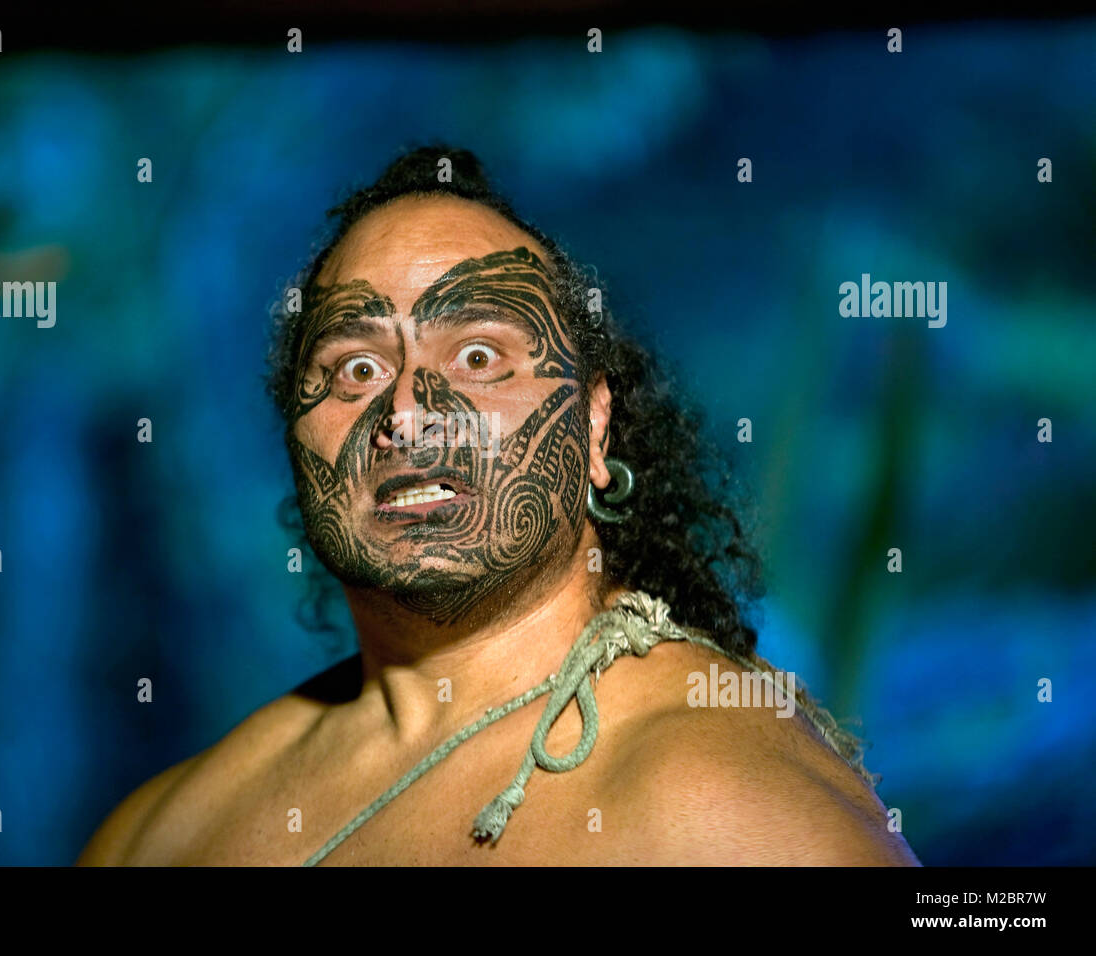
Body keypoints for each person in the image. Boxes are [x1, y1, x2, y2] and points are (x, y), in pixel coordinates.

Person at [78, 146, 920, 866]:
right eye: (356, 370)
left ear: (595, 428)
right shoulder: (162, 834)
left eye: (479, 356)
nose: (407, 412)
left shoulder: (725, 809)